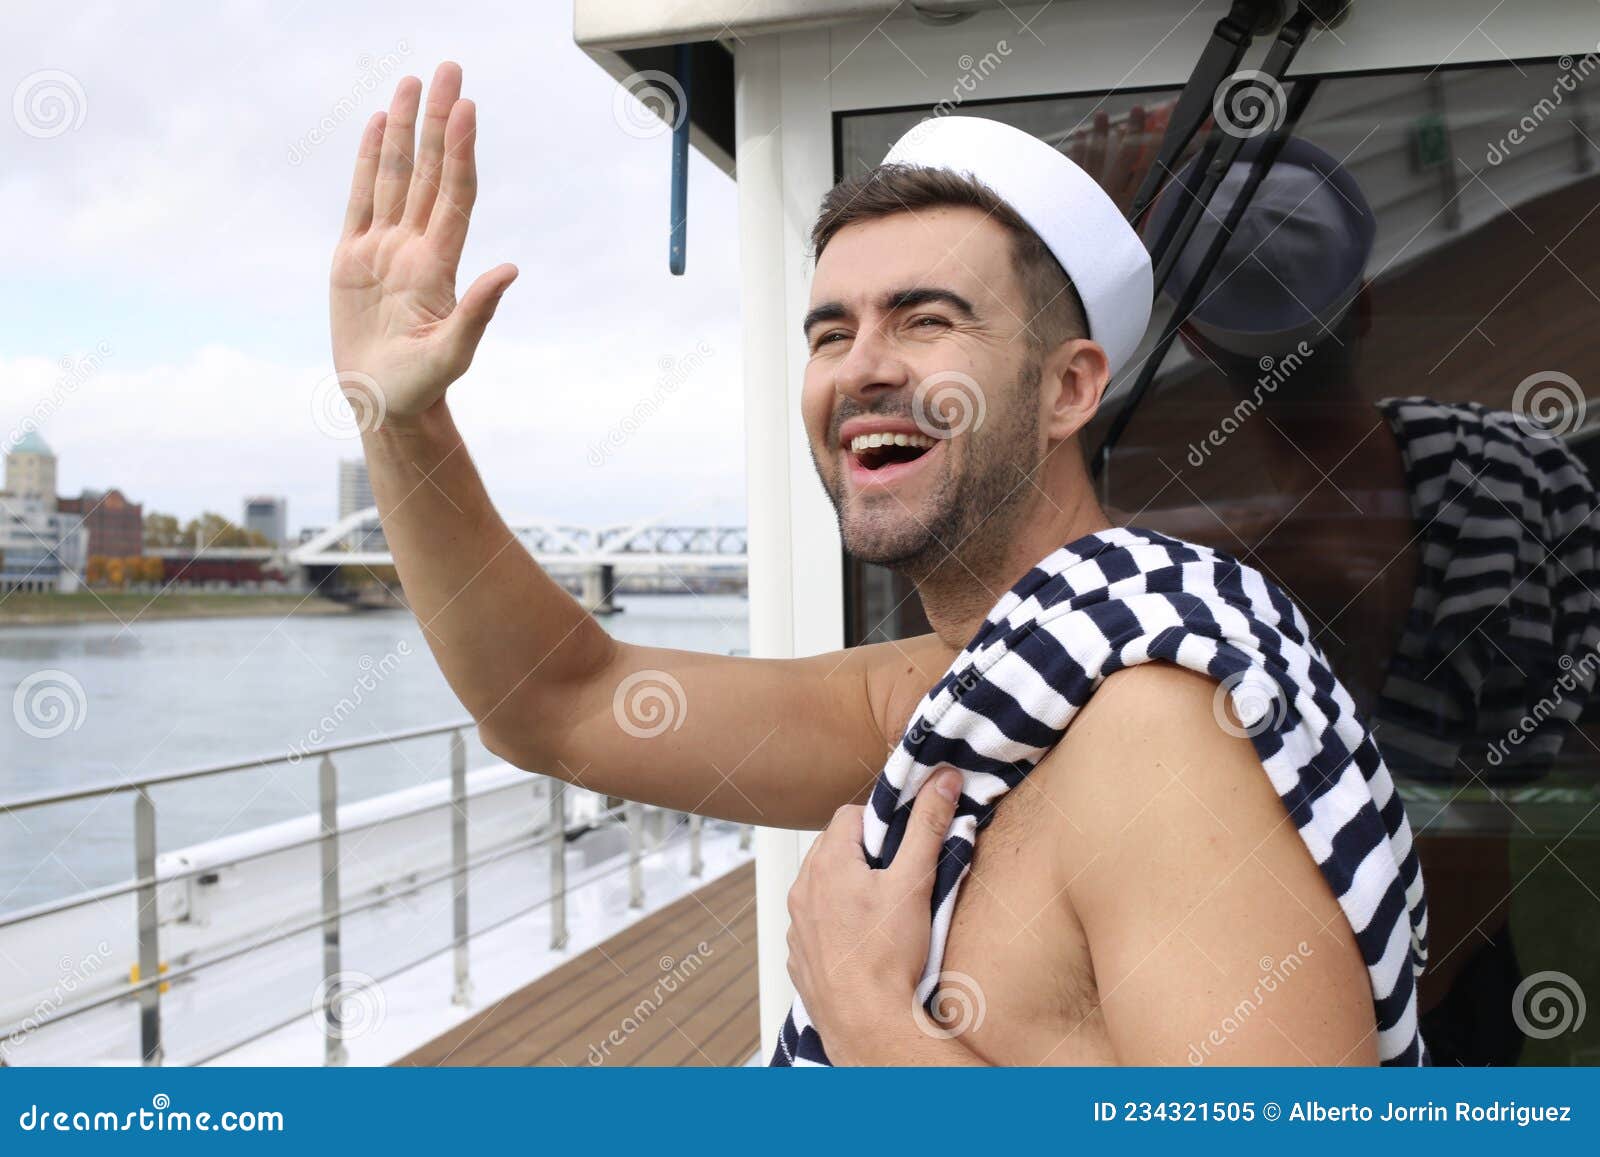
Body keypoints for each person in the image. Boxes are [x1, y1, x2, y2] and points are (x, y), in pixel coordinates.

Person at [329, 62, 1424, 1066]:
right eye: (828, 332)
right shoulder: (962, 690)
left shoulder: (1158, 733)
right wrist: (402, 419)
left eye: (925, 318)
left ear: (1068, 388)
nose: (862, 369)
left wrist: (866, 1020)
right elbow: (559, 703)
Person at [1129, 136, 1600, 1064]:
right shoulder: (1531, 471)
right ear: (1367, 305)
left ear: (1193, 342)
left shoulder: (1190, 572)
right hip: (1534, 1000)